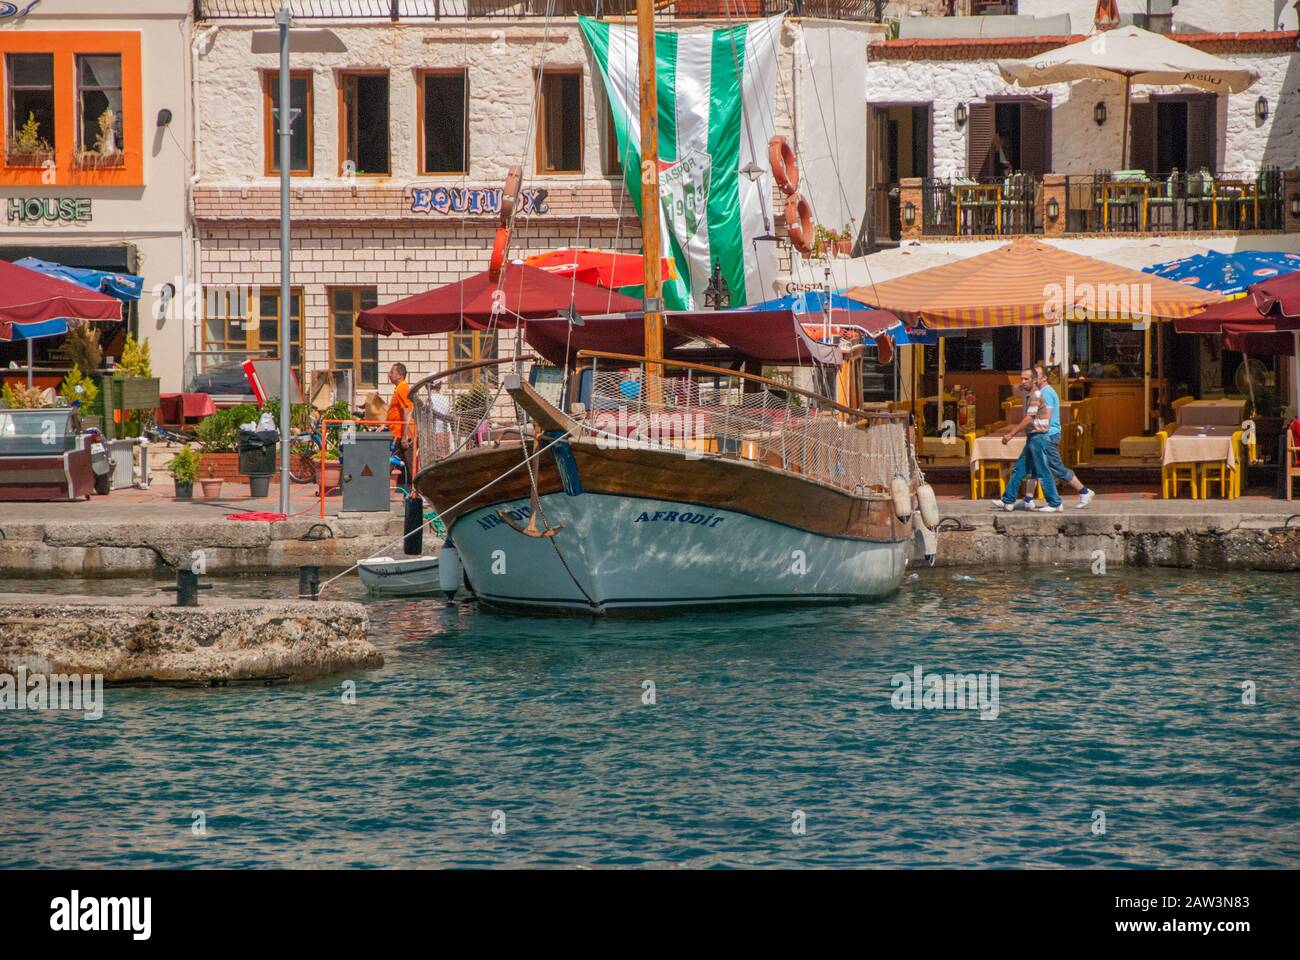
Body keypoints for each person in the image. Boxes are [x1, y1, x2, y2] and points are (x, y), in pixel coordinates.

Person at [1016, 363, 1095, 510]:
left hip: (1048, 435)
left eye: (1036, 376)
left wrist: (1030, 427)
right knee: (1033, 467)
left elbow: (1046, 417)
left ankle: (1084, 491)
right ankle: (1027, 499)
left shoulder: (1046, 393)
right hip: (1042, 435)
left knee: (1055, 466)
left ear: (1044, 378)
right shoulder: (1042, 392)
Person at [993, 368, 1061, 513]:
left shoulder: (1036, 395)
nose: (1022, 382)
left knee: (1042, 470)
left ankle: (1054, 502)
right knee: (1019, 468)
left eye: (1026, 379)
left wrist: (1011, 434)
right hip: (1032, 437)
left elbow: (1029, 417)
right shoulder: (1032, 395)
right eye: (1021, 379)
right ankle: (1008, 500)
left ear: (1034, 380)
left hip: (1038, 438)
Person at [386, 363, 414, 483]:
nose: (389, 374)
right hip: (399, 433)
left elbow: (407, 410)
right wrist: (385, 424)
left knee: (409, 464)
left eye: (392, 372)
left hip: (404, 434)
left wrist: (404, 437)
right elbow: (397, 412)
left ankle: (420, 492)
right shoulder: (399, 388)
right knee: (397, 462)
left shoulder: (403, 389)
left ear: (400, 375)